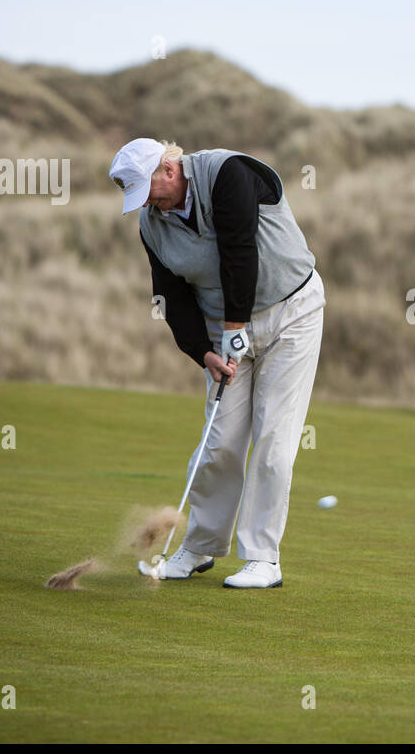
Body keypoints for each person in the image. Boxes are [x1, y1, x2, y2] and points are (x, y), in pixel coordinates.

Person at [109, 138, 324, 589]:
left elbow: (239, 251)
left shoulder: (228, 174)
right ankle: (199, 547)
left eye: (148, 189)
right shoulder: (153, 225)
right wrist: (202, 351)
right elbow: (171, 295)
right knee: (219, 441)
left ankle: (264, 559)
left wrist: (234, 327)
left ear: (169, 168)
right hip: (225, 330)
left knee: (274, 438)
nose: (148, 203)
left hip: (292, 312)